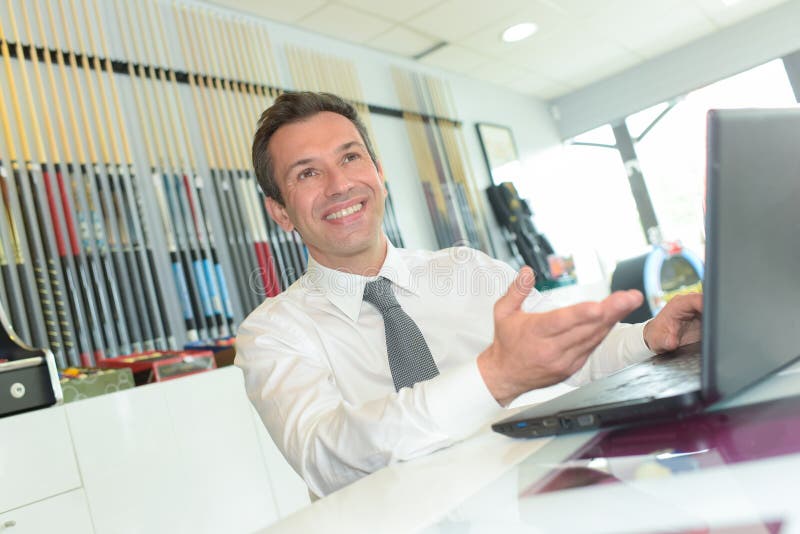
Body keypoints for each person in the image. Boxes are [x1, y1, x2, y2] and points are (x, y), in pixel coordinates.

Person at [235, 91, 703, 498]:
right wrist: (494, 377)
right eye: (307, 174)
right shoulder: (272, 333)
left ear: (378, 172)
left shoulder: (467, 268)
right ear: (280, 212)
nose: (339, 185)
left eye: (350, 158)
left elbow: (569, 350)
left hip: (543, 502)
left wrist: (651, 337)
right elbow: (324, 456)